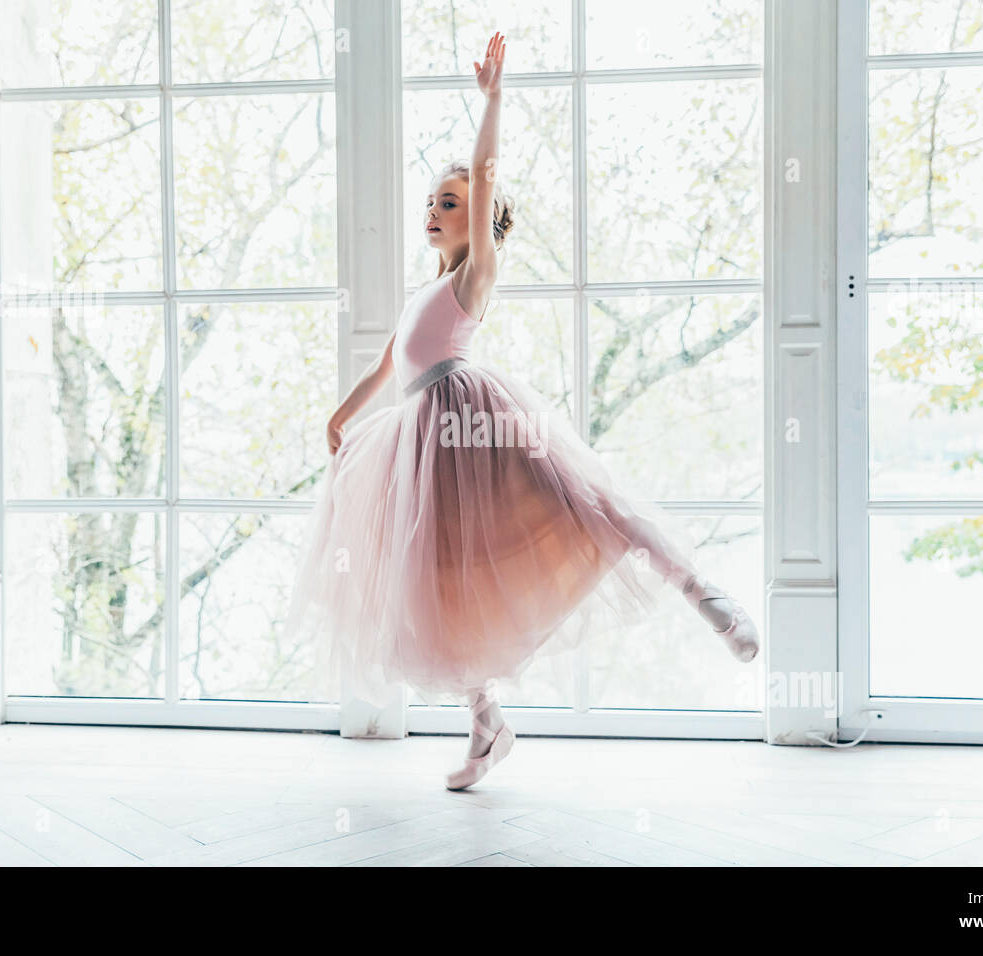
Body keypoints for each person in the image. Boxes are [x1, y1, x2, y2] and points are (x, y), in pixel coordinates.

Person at [284, 32, 758, 791]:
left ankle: (700, 590)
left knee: (588, 504)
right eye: (432, 203)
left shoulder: (476, 275)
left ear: (483, 220)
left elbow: (484, 169)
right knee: (440, 580)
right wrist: (342, 414)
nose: (435, 211)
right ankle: (486, 722)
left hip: (474, 418)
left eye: (452, 202)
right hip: (419, 436)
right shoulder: (423, 291)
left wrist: (494, 100)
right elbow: (387, 360)